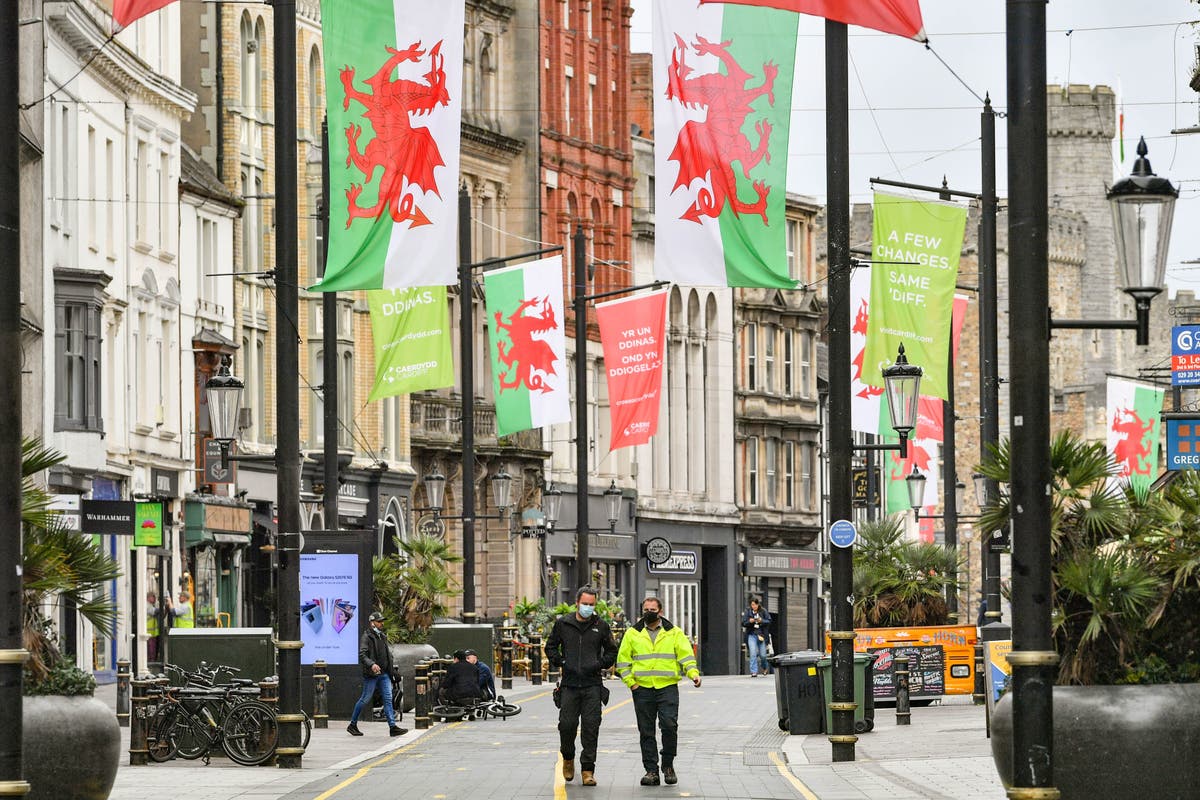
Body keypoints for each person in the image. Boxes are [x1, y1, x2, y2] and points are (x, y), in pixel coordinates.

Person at [615, 596, 700, 787]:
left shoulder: (674, 633)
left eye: (652, 609)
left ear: (660, 612)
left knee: (669, 726)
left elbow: (686, 656)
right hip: (642, 689)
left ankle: (668, 765)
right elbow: (622, 661)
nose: (649, 612)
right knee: (646, 731)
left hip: (667, 687)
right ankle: (651, 771)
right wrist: (632, 683)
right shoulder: (632, 633)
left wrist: (693, 674)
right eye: (646, 609)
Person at [545, 587, 618, 787]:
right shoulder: (563, 624)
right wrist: (561, 662)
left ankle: (588, 770)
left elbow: (612, 652)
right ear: (577, 603)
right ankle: (568, 759)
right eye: (584, 603)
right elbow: (550, 646)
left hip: (592, 685)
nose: (587, 607)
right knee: (567, 726)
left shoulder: (601, 626)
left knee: (591, 728)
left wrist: (598, 664)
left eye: (591, 604)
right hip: (569, 685)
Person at [348, 611, 406, 737]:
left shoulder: (382, 636)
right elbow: (362, 655)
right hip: (372, 674)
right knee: (365, 699)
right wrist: (372, 664)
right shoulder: (366, 637)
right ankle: (352, 724)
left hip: (384, 674)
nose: (381, 623)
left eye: (382, 621)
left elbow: (387, 656)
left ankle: (392, 727)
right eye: (379, 621)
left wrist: (392, 671)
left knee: (388, 699)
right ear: (372, 623)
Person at [741, 597, 772, 677]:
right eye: (752, 605)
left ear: (758, 604)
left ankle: (765, 667)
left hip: (761, 635)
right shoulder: (748, 611)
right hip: (751, 635)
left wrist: (761, 620)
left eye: (755, 604)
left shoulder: (763, 611)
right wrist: (749, 621)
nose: (753, 606)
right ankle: (753, 671)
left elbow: (769, 621)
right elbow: (743, 623)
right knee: (753, 653)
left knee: (763, 655)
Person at [146, 591, 161, 664]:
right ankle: (151, 661)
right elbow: (154, 612)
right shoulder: (147, 605)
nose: (155, 598)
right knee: (151, 648)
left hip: (152, 631)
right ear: (149, 597)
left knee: (153, 647)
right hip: (149, 631)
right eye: (153, 597)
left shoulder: (151, 605)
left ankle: (152, 660)